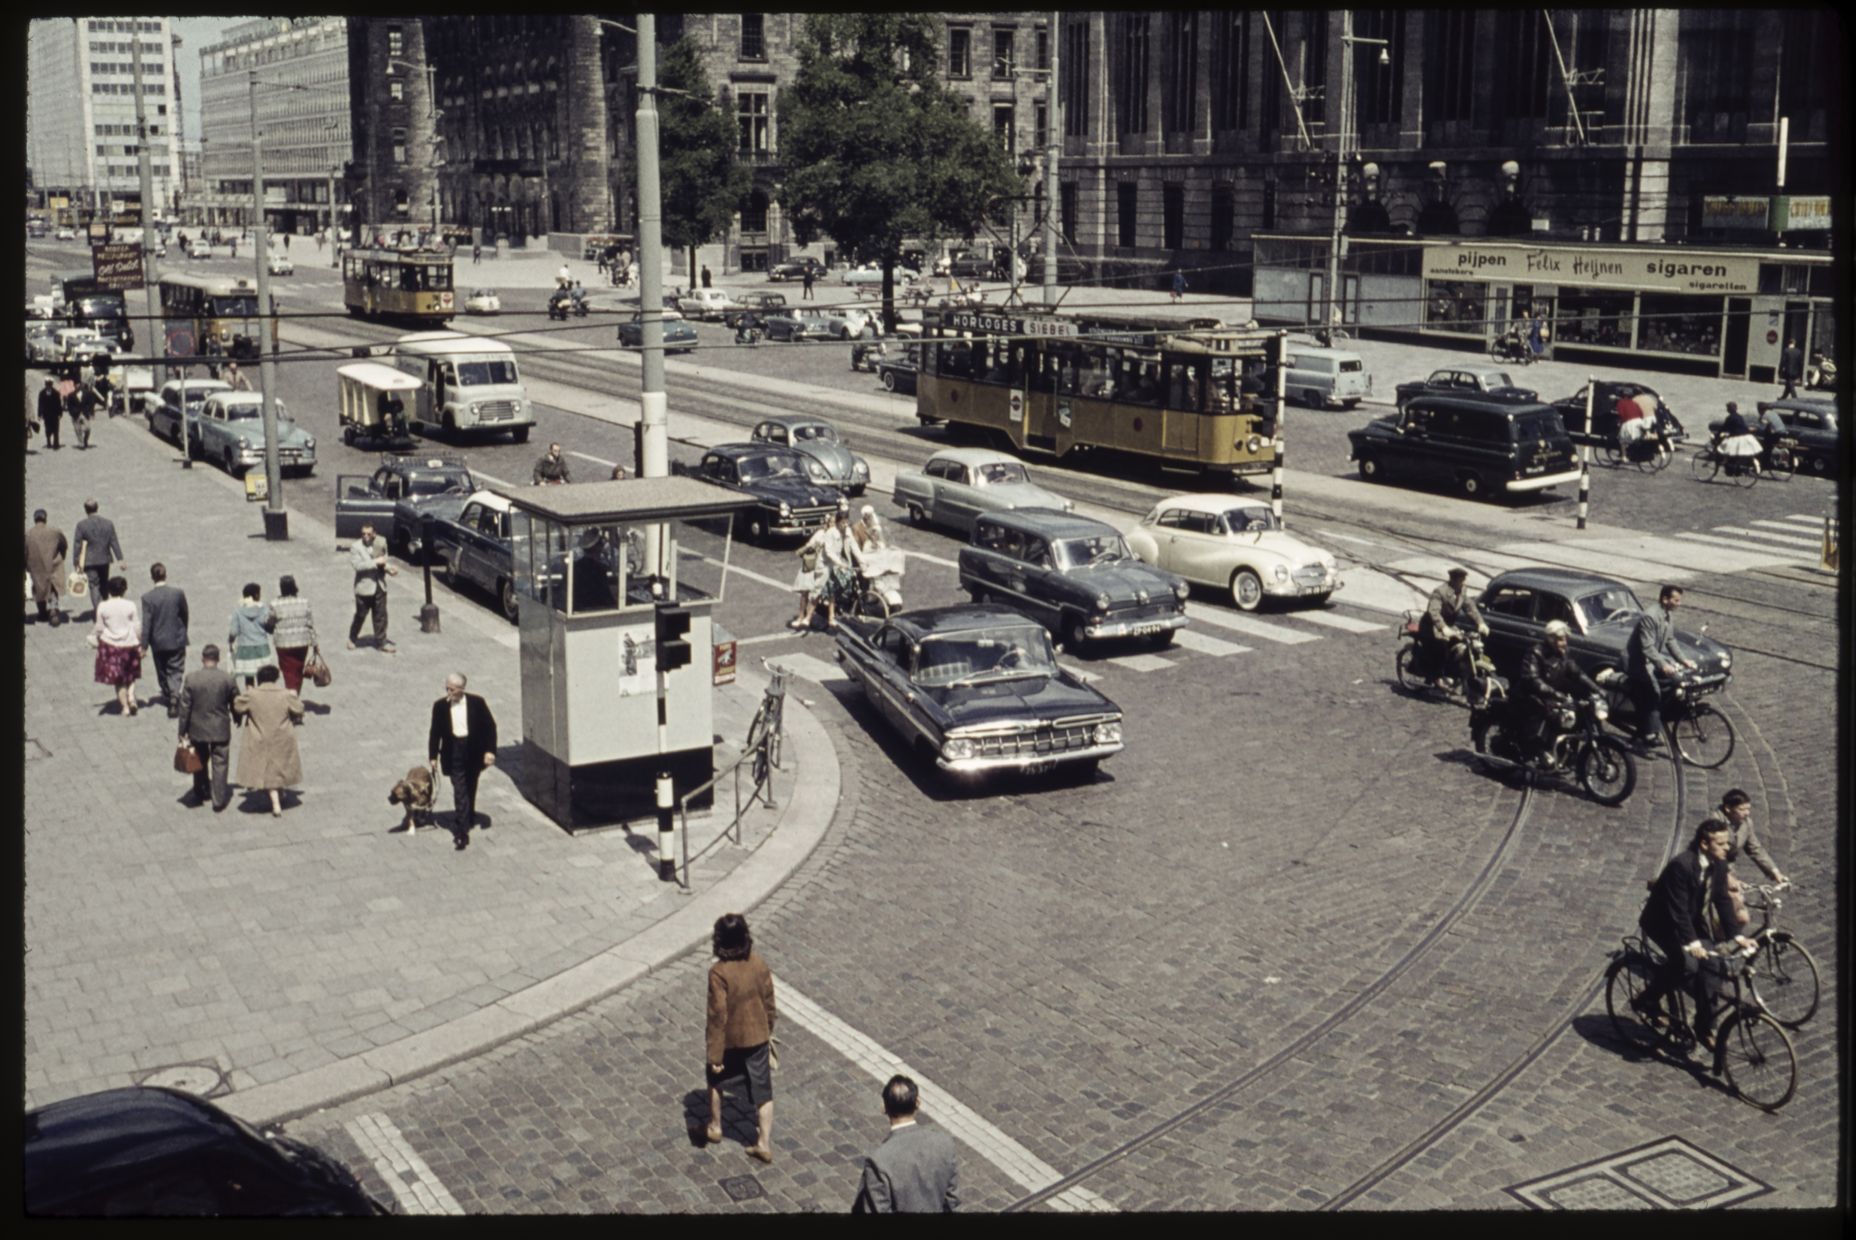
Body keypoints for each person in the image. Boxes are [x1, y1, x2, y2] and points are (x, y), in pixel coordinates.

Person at [1637, 820, 1749, 1050]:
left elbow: (1722, 901)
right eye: (1721, 843)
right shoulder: (1682, 865)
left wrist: (1736, 936)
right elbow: (1677, 910)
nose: (1727, 847)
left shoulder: (1718, 864)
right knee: (1687, 965)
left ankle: (1704, 1026)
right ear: (1704, 844)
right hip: (1664, 923)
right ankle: (1649, 998)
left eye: (1727, 842)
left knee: (1714, 966)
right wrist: (1692, 943)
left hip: (1691, 922)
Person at [704, 913, 776, 1163]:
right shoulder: (759, 964)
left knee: (715, 1078)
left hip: (731, 1041)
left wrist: (715, 1054)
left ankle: (715, 1126)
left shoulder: (718, 973)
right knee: (763, 1091)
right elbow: (769, 1001)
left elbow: (718, 1015)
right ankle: (763, 1143)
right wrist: (768, 1027)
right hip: (757, 1036)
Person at [852, 1075, 959, 1213]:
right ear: (918, 1103)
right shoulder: (944, 1143)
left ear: (884, 1108)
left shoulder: (879, 1161)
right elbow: (951, 1200)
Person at [1516, 619, 1600, 767]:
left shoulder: (1563, 652)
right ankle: (1532, 753)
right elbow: (1533, 679)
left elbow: (1577, 672)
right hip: (1530, 696)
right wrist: (1555, 694)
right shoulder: (1535, 653)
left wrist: (1596, 688)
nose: (1565, 643)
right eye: (1561, 639)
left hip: (1552, 694)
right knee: (1540, 711)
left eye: (1566, 639)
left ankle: (1566, 750)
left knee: (1576, 712)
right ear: (1551, 638)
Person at [428, 673, 497, 846]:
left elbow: (490, 726)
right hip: (453, 751)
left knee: (471, 785)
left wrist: (490, 751)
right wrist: (433, 756)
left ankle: (469, 815)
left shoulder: (477, 703)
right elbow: (435, 732)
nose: (448, 692)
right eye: (447, 688)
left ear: (461, 689)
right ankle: (461, 831)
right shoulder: (440, 706)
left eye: (451, 689)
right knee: (460, 790)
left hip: (473, 750)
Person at [1625, 584, 1694, 752]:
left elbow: (1670, 640)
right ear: (1665, 599)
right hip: (1638, 663)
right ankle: (1649, 734)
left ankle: (1652, 718)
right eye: (1676, 600)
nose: (1679, 604)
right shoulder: (1650, 616)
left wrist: (1683, 660)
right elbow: (1647, 647)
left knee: (1675, 682)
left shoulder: (1667, 615)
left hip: (1652, 661)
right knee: (1653, 693)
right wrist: (1663, 665)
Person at [234, 664, 304, 819]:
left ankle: (275, 803)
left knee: (267, 770)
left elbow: (237, 706)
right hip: (282, 736)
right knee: (277, 766)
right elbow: (299, 709)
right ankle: (278, 797)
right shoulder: (284, 694)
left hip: (259, 737)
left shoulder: (252, 695)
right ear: (276, 678)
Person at [177, 644, 239, 812]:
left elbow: (185, 709)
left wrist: (182, 731)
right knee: (220, 762)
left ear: (203, 659)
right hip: (220, 728)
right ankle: (218, 799)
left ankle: (200, 791)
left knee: (200, 760)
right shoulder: (227, 679)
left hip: (198, 729)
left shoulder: (191, 679)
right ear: (218, 659)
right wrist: (237, 717)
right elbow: (236, 702)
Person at [790, 509, 861, 632]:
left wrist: (862, 561)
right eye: (842, 523)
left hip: (835, 565)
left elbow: (854, 547)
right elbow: (828, 552)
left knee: (833, 591)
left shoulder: (847, 531)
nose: (845, 525)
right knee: (814, 592)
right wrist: (840, 564)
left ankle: (831, 617)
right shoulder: (828, 533)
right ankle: (806, 617)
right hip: (822, 565)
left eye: (846, 522)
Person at [139, 562, 191, 717]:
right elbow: (184, 613)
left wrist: (144, 646)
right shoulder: (177, 593)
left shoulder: (147, 598)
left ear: (152, 577)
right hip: (177, 638)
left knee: (161, 671)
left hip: (158, 641)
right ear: (165, 575)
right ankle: (175, 695)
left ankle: (169, 694)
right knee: (176, 668)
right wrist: (182, 630)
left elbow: (146, 624)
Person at [1419, 568, 1486, 687]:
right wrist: (1443, 627)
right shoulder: (1440, 592)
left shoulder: (1462, 590)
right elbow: (1433, 612)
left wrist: (1480, 623)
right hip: (1431, 627)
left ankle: (1452, 673)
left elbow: (1470, 607)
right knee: (1440, 648)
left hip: (1450, 626)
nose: (1464, 582)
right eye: (1462, 580)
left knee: (1461, 646)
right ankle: (1436, 677)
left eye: (1464, 580)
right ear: (1454, 580)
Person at [92, 575, 143, 716]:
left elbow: (99, 628)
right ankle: (132, 697)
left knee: (118, 679)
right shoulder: (130, 605)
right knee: (131, 674)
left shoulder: (103, 606)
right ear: (124, 590)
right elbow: (137, 626)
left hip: (111, 645)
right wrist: (140, 642)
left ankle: (125, 707)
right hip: (130, 644)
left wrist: (97, 640)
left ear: (109, 590)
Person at [347, 523, 398, 653]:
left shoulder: (379, 544)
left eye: (369, 534)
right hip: (364, 588)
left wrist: (389, 569)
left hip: (379, 586)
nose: (366, 537)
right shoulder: (356, 547)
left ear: (374, 534)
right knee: (360, 615)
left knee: (380, 615)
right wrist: (375, 562)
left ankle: (381, 641)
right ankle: (352, 638)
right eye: (363, 534)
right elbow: (358, 566)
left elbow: (382, 562)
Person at [72, 499, 126, 620]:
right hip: (104, 559)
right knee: (104, 584)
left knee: (93, 585)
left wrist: (76, 562)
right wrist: (120, 559)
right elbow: (114, 541)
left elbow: (77, 545)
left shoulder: (81, 525)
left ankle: (99, 611)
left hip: (89, 561)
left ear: (85, 510)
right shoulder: (108, 523)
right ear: (97, 507)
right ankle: (105, 608)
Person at [268, 575, 319, 697]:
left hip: (283, 643)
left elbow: (270, 622)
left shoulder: (275, 604)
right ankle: (296, 694)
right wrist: (315, 643)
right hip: (302, 642)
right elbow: (310, 624)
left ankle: (292, 695)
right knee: (298, 669)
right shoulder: (304, 602)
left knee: (288, 671)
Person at [227, 582, 275, 689]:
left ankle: (251, 700)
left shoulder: (238, 611)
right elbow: (269, 628)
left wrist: (230, 641)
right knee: (263, 677)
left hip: (245, 649)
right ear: (257, 595)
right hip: (262, 647)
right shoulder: (263, 609)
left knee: (248, 678)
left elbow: (233, 632)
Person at [25, 509, 68, 627]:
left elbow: (24, 551)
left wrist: (25, 565)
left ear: (34, 520)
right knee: (53, 586)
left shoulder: (28, 534)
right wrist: (61, 556)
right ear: (45, 518)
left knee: (38, 588)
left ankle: (42, 613)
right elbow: (64, 544)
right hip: (53, 563)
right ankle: (53, 608)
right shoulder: (55, 531)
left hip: (36, 565)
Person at [38, 378, 63, 450]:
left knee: (56, 429)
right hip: (46, 414)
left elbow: (59, 404)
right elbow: (40, 404)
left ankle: (56, 444)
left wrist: (60, 413)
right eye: (47, 384)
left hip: (54, 414)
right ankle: (48, 442)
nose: (48, 385)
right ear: (45, 384)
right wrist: (39, 414)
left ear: (51, 384)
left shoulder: (56, 393)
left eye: (50, 384)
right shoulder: (42, 393)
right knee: (47, 429)